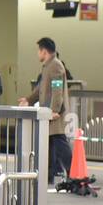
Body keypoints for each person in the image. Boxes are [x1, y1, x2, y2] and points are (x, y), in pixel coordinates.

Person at [19, 37, 72, 181]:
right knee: (48, 145)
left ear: (44, 51)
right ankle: (47, 176)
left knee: (60, 143)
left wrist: (54, 110)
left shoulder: (55, 65)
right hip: (47, 112)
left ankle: (73, 173)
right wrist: (29, 100)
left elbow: (57, 90)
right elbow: (40, 90)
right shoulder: (48, 66)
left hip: (53, 113)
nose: (38, 54)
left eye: (39, 51)